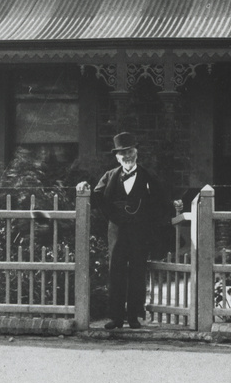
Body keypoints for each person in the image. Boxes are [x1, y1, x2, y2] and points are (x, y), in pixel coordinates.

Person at [76, 133, 182, 330]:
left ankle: (134, 317)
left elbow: (161, 199)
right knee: (115, 272)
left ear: (136, 152)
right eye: (123, 153)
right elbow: (96, 197)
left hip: (140, 233)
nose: (127, 156)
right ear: (117, 157)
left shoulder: (147, 176)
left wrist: (174, 205)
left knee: (137, 273)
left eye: (130, 151)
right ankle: (116, 318)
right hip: (116, 232)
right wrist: (84, 188)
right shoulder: (109, 176)